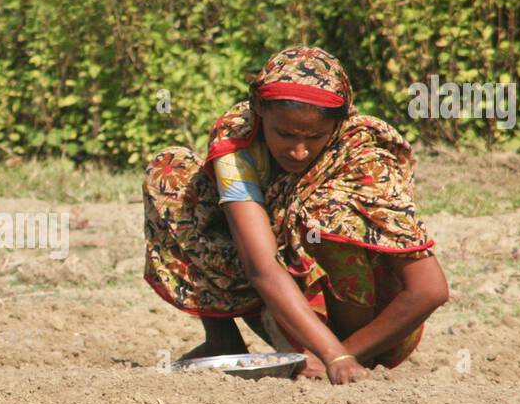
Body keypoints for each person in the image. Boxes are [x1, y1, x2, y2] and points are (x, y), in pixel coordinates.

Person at [143, 46, 449, 385]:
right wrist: (333, 356)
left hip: (371, 330)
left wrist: (343, 354)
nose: (298, 151)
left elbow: (429, 289)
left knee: (322, 211)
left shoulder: (364, 159)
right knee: (173, 175)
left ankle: (333, 353)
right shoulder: (238, 144)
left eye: (314, 137)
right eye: (285, 135)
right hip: (281, 304)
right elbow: (260, 266)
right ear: (259, 109)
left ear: (339, 122)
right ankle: (226, 343)